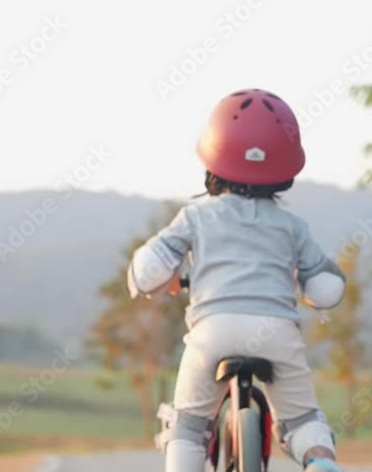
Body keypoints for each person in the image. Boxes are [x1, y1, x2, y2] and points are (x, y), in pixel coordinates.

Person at [126, 88, 347, 472]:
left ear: (212, 154)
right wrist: (309, 289)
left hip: (213, 331)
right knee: (302, 420)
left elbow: (150, 271)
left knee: (189, 425)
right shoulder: (292, 226)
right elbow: (325, 287)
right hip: (277, 331)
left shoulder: (196, 217)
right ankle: (319, 462)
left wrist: (155, 280)